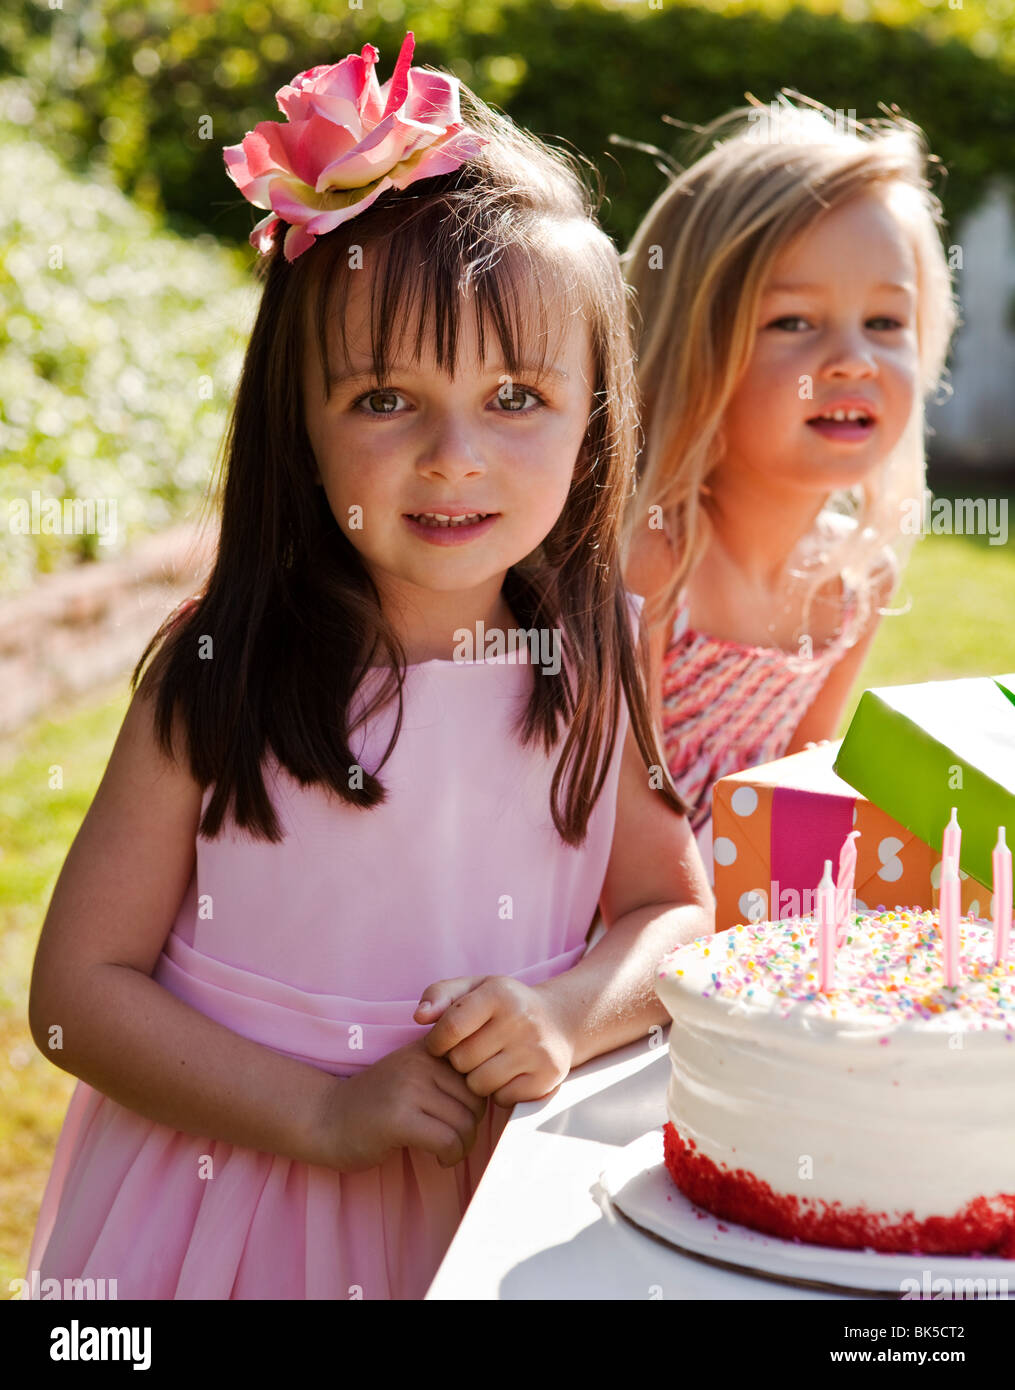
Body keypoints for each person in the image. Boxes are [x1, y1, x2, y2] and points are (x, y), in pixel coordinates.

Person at [25, 33, 711, 1301]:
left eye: (515, 398)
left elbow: (672, 914)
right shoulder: (221, 676)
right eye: (387, 398)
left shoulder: (591, 658)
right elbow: (75, 995)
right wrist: (322, 1114)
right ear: (300, 413)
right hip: (242, 1202)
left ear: (593, 417)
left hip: (488, 1204)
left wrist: (565, 1017)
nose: (454, 456)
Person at [620, 97, 958, 880]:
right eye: (792, 323)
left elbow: (800, 809)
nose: (851, 361)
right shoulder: (649, 565)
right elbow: (607, 846)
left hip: (750, 939)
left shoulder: (856, 582)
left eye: (883, 322)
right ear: (689, 346)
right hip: (618, 953)